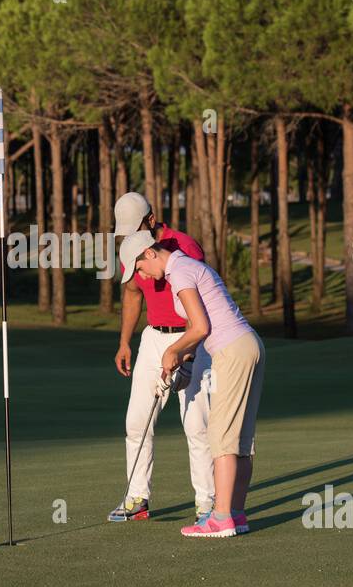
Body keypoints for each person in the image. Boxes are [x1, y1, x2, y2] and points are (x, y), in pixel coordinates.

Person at [119, 230, 265, 538]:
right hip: (247, 345)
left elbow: (200, 327)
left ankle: (221, 517)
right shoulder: (186, 267)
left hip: (231, 351)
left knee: (221, 435)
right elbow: (202, 330)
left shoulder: (180, 272)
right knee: (240, 438)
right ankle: (236, 514)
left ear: (149, 253)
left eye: (140, 269)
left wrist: (173, 351)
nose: (141, 277)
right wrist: (184, 363)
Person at [108, 192, 214, 525]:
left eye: (134, 227)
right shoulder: (131, 251)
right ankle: (136, 498)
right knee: (136, 421)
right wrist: (124, 342)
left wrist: (189, 351)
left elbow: (204, 300)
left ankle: (208, 504)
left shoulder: (185, 247)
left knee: (197, 424)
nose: (129, 236)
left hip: (191, 336)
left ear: (152, 221)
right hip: (153, 338)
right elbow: (132, 293)